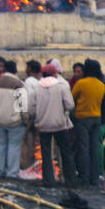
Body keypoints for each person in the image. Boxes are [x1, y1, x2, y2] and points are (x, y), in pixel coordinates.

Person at [34, 60, 80, 189]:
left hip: (43, 125)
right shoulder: (62, 86)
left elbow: (31, 107)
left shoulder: (37, 87)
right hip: (60, 125)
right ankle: (70, 180)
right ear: (54, 74)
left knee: (46, 154)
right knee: (66, 153)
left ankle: (49, 181)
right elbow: (70, 105)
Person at [0, 59, 28, 178]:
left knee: (1, 146)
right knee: (14, 146)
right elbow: (23, 106)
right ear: (15, 70)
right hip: (15, 121)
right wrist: (26, 121)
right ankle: (12, 173)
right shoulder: (19, 84)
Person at [71, 59, 105, 186]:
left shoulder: (81, 83)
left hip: (82, 118)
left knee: (83, 149)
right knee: (95, 148)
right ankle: (94, 178)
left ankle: (84, 179)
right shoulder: (101, 84)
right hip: (97, 118)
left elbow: (72, 99)